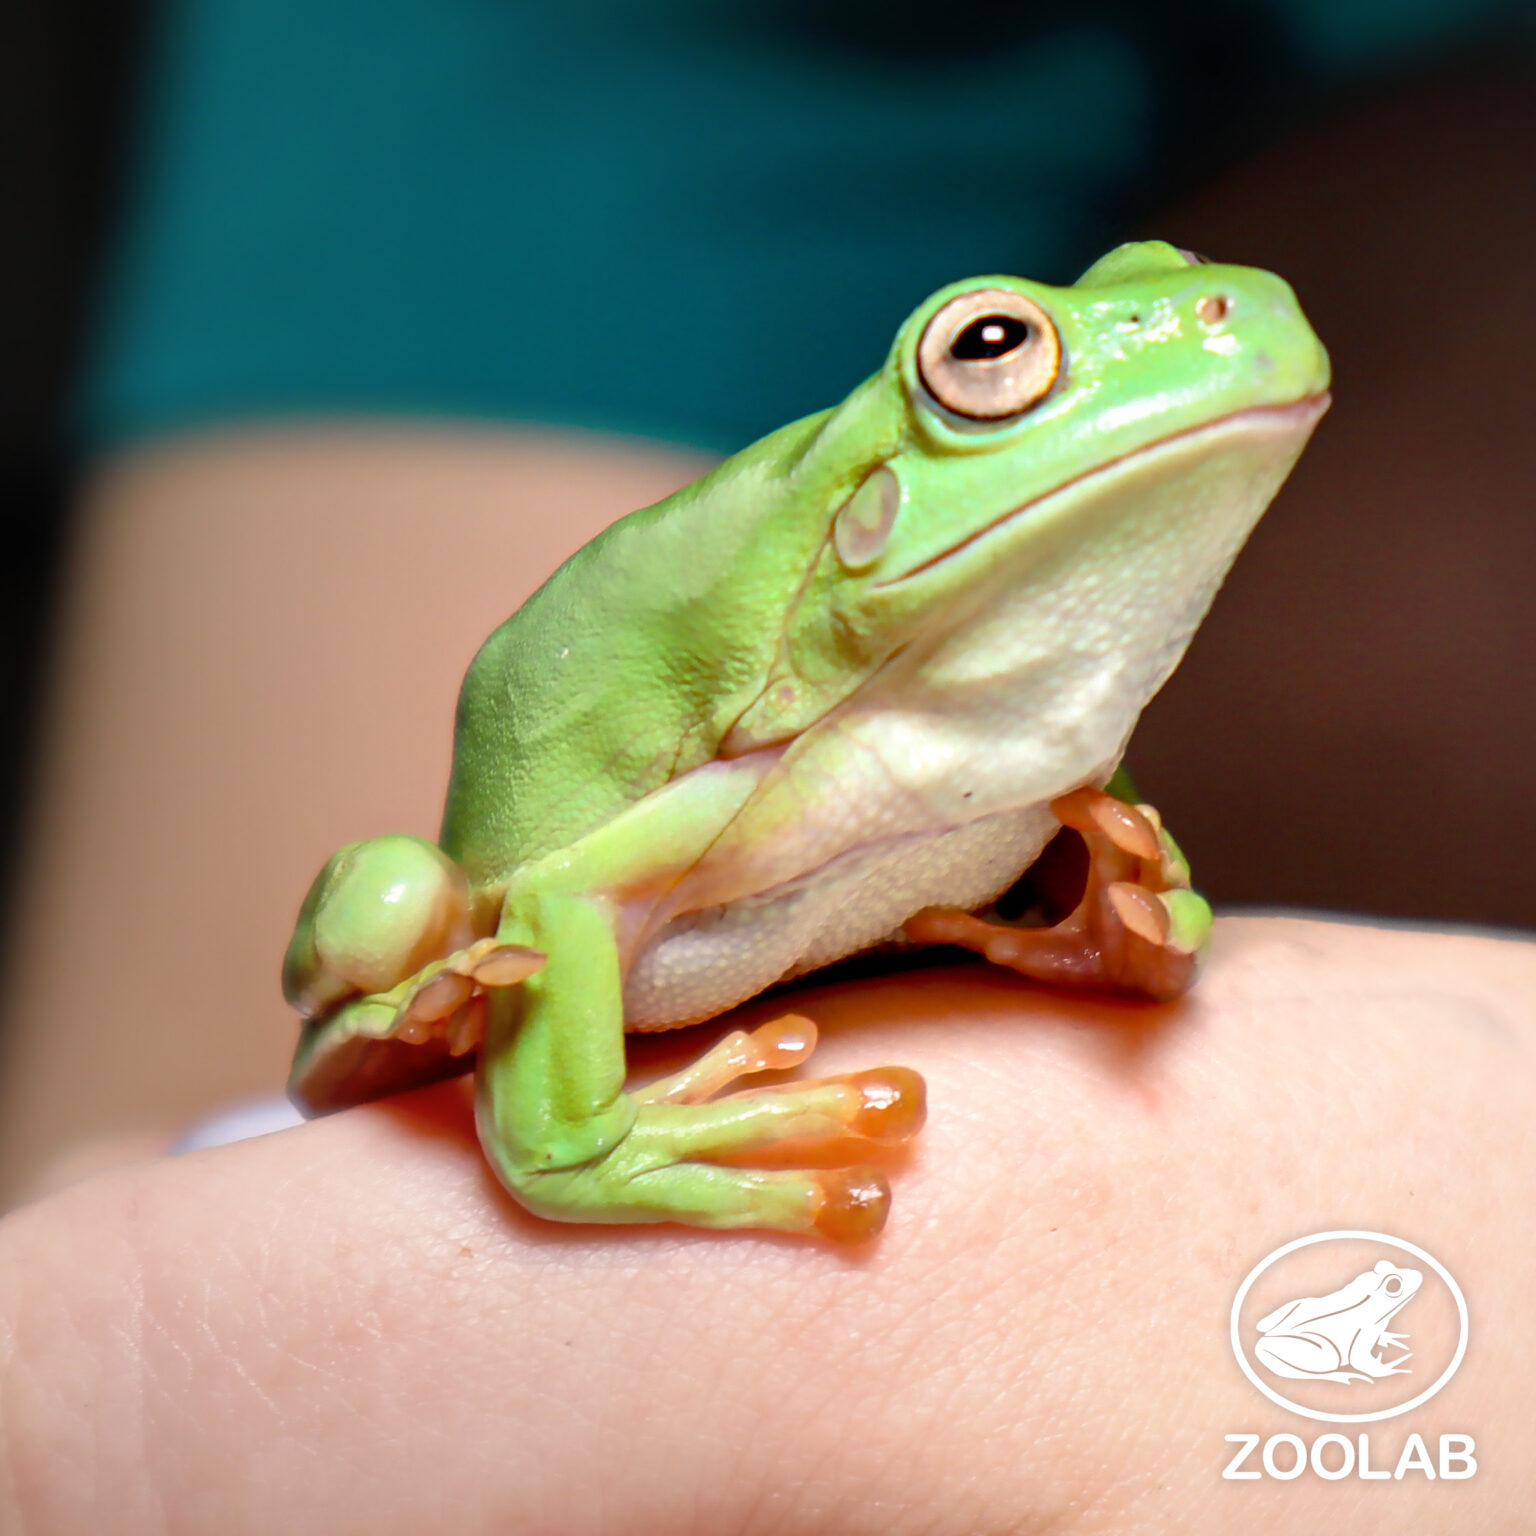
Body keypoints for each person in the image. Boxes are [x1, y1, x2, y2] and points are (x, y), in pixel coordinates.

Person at [1, 2, 1533, 1527]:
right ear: (871, 508)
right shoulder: (782, 755)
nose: (1213, 324)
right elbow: (570, 908)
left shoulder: (983, 747)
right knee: (389, 905)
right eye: (997, 354)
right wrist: (578, 1145)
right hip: (512, 949)